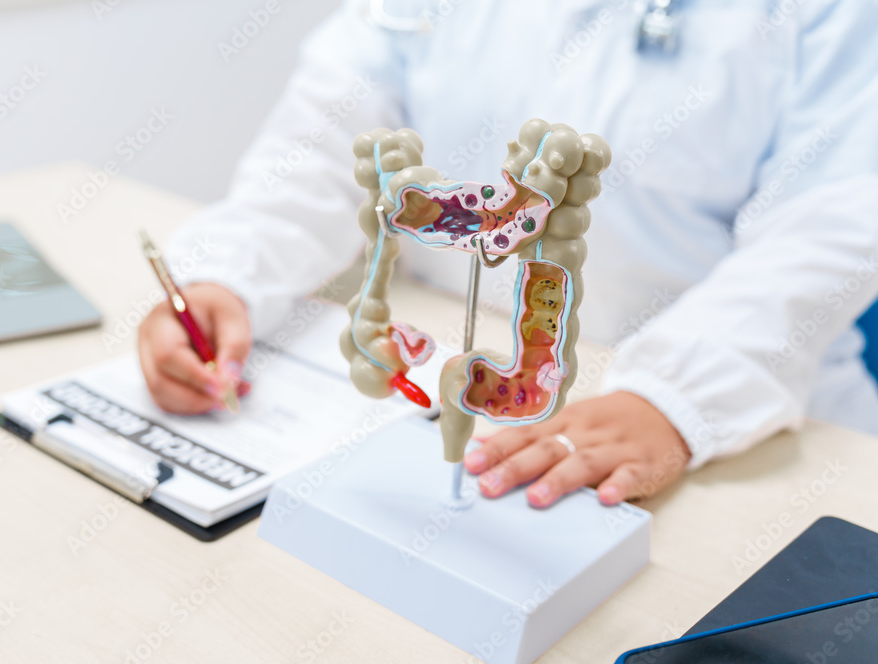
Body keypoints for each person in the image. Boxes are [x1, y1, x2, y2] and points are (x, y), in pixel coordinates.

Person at [138, 0, 878, 508]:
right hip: (455, 376)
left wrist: (677, 397)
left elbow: (830, 224)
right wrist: (231, 274)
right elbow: (332, 132)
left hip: (746, 408)